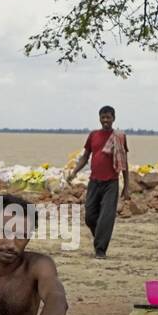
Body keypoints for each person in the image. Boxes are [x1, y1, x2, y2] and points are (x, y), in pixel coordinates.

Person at [66, 105, 130, 259]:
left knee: (106, 217)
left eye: (108, 117)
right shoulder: (93, 135)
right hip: (94, 182)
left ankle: (100, 250)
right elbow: (85, 156)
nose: (106, 120)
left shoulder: (119, 137)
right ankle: (100, 238)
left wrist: (126, 186)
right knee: (90, 216)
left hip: (111, 183)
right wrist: (74, 172)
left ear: (114, 118)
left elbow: (124, 161)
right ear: (99, 118)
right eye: (103, 117)